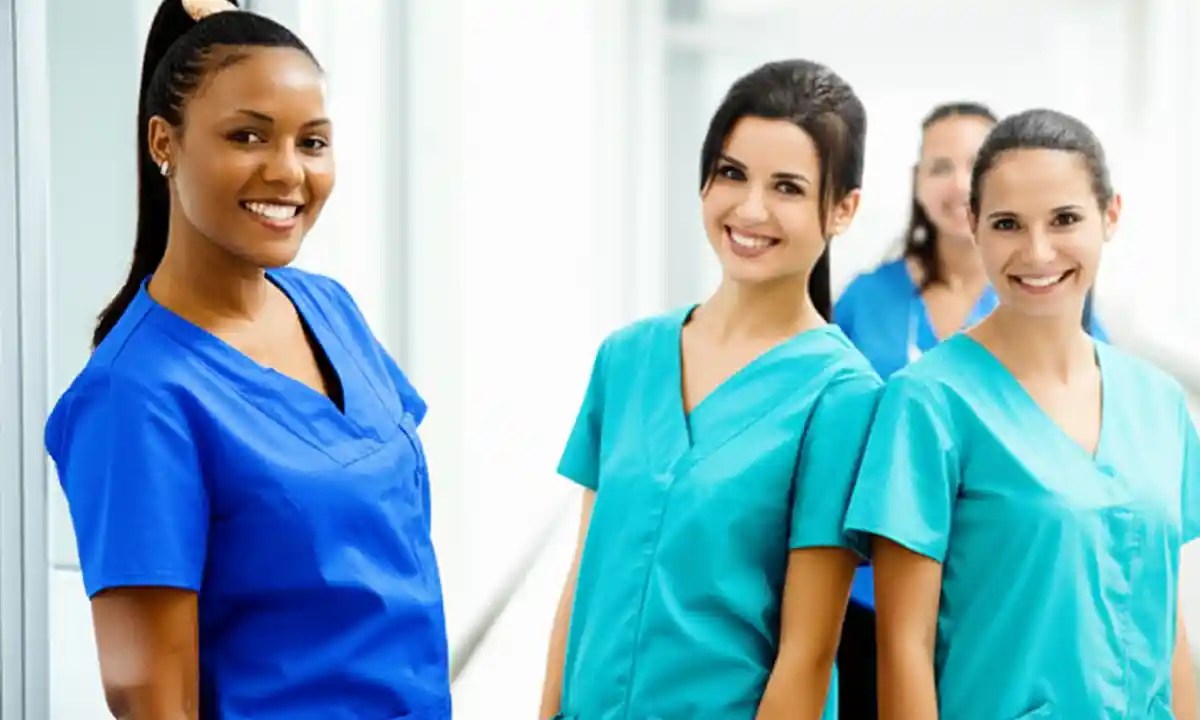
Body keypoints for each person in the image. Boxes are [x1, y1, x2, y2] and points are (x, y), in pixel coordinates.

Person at [43, 2, 450, 718]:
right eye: (247, 135)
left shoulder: (330, 310)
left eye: (312, 142)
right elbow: (150, 698)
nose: (288, 173)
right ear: (163, 142)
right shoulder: (135, 397)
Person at [845, 108, 1200, 719]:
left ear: (1111, 216)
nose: (1038, 251)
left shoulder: (1156, 400)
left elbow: (1168, 620)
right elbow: (903, 647)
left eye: (1065, 219)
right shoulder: (929, 402)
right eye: (1007, 223)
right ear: (974, 226)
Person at [538, 59, 882, 720]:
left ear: (843, 208)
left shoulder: (842, 397)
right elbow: (585, 577)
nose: (750, 209)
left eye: (787, 186)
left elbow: (806, 656)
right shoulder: (629, 358)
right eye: (732, 173)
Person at [830, 102, 1107, 718]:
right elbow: (831, 448)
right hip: (877, 591)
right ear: (915, 182)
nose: (956, 183)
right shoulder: (865, 301)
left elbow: (1099, 438)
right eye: (939, 166)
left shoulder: (1053, 302)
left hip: (1009, 593)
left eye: (972, 165)